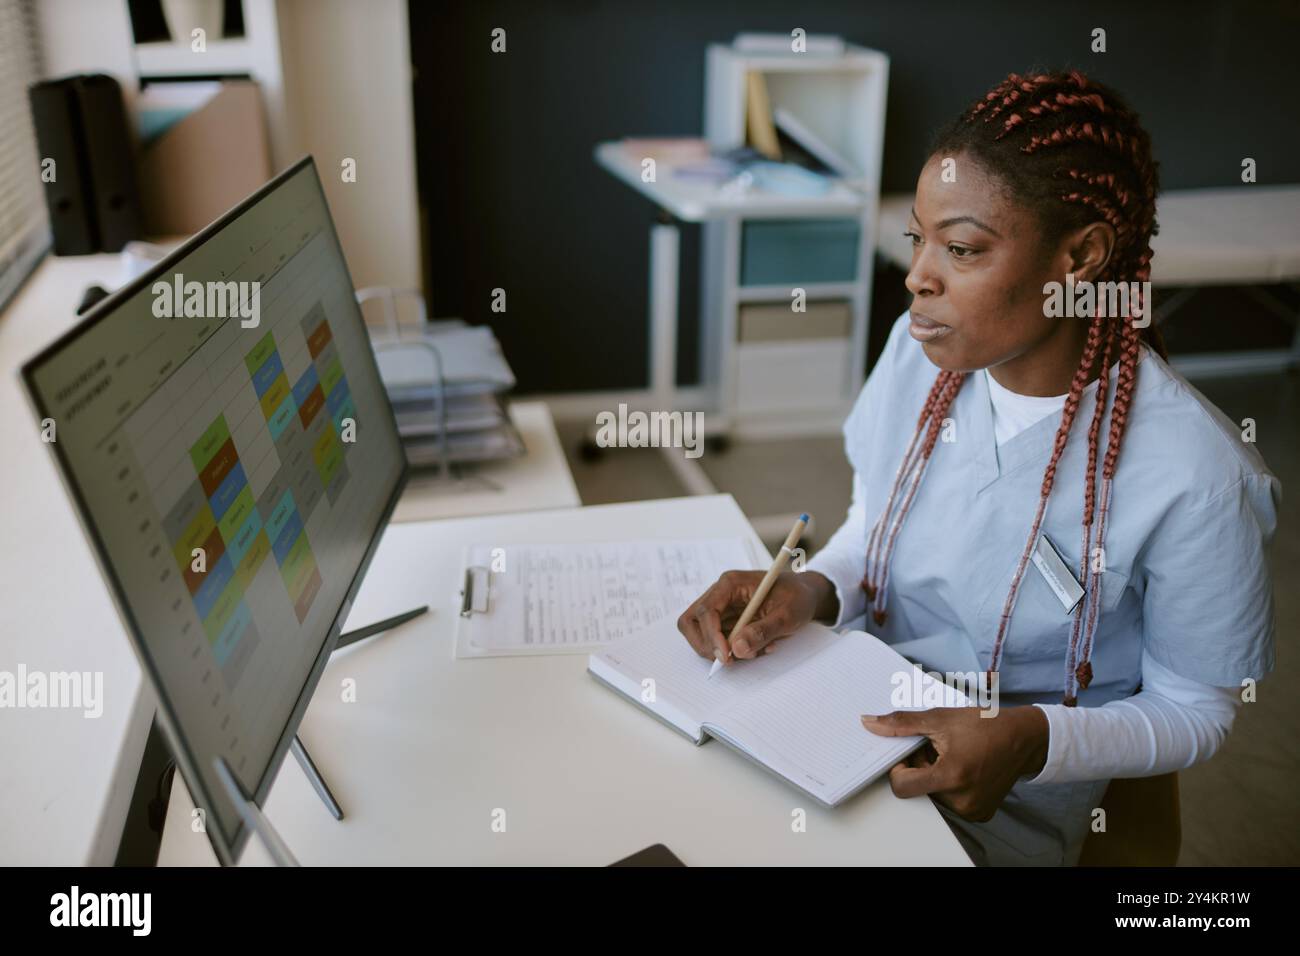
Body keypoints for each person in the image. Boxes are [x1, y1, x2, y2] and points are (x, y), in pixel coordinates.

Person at [676, 70, 1280, 865]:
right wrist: (810, 589)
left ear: (1082, 257)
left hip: (999, 800)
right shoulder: (917, 350)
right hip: (848, 721)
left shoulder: (1196, 476)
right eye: (917, 239)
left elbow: (1196, 709)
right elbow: (874, 527)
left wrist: (1030, 739)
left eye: (960, 249)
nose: (919, 277)